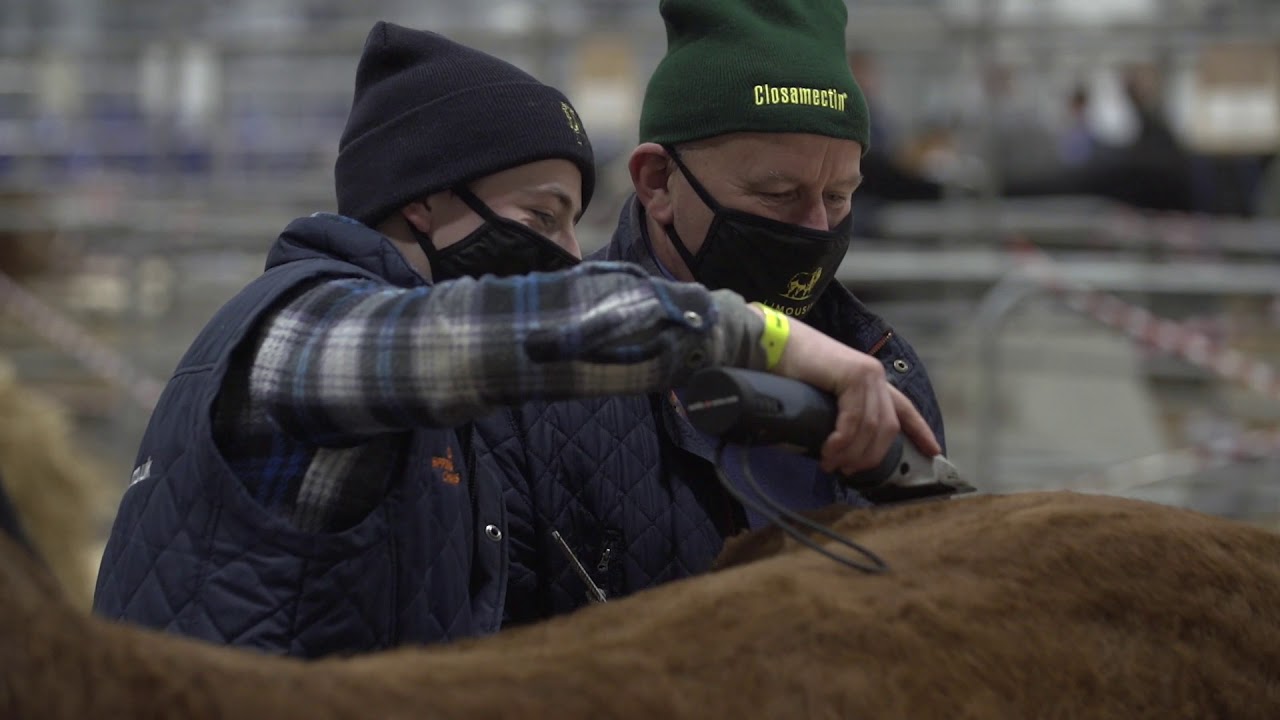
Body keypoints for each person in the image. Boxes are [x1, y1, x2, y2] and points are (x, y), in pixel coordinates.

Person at [91, 21, 929, 658]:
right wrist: (774, 340)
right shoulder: (302, 332)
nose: (566, 256)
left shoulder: (429, 412)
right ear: (422, 203)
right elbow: (509, 332)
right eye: (540, 217)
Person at [475, 0, 947, 626]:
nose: (816, 229)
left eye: (838, 196)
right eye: (778, 194)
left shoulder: (887, 370)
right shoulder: (536, 388)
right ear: (658, 181)